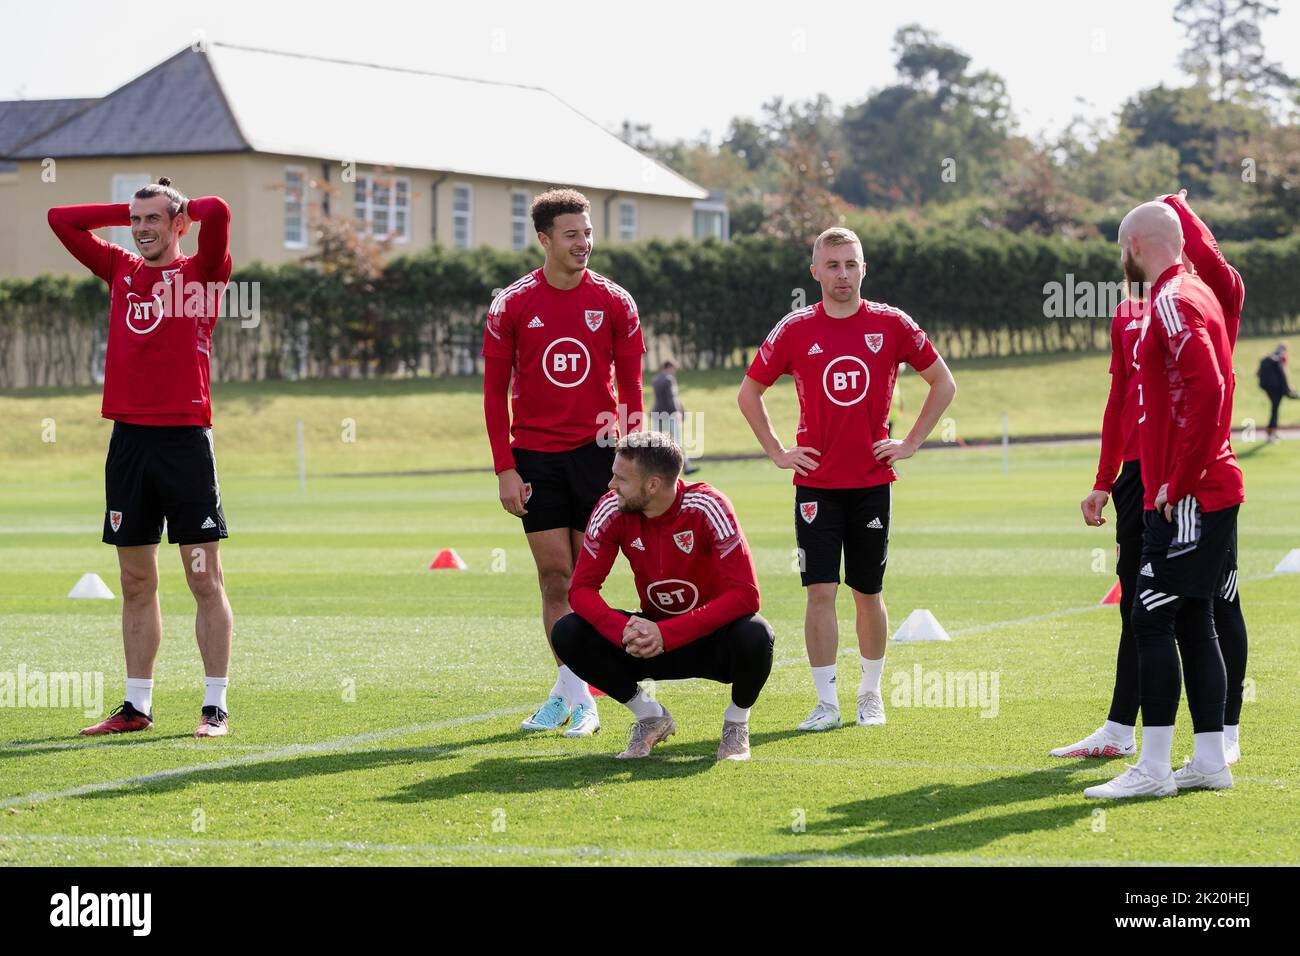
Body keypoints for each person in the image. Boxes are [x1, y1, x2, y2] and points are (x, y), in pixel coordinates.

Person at [737, 227, 956, 732]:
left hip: (871, 483)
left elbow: (943, 382)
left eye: (850, 264)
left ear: (864, 268)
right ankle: (825, 702)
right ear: (814, 271)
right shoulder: (794, 329)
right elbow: (749, 393)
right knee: (819, 593)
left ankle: (870, 694)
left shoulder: (892, 324)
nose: (842, 274)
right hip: (815, 486)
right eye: (832, 265)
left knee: (867, 594)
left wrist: (911, 444)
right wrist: (777, 451)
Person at [1062, 190, 1250, 767]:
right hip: (1143, 476)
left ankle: (1220, 735)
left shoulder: (1200, 294)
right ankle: (1125, 729)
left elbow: (1220, 270)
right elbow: (1118, 398)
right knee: (1147, 606)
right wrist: (1105, 476)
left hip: (1187, 472)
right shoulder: (1130, 312)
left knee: (1214, 602)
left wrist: (1176, 207)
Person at [48, 178, 235, 738]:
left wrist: (179, 205)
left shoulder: (202, 274)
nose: (140, 229)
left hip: (184, 443)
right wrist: (132, 209)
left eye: (153, 219)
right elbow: (61, 217)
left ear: (179, 225)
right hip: (129, 443)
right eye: (134, 220)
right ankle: (136, 707)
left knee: (203, 578)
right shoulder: (121, 269)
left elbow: (218, 210)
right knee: (134, 582)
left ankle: (214, 707)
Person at [482, 188, 645, 738]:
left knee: (584, 583)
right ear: (545, 238)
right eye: (572, 234)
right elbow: (492, 393)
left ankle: (568, 694)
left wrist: (633, 455)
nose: (584, 243)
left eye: (589, 232)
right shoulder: (512, 303)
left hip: (599, 455)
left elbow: (633, 391)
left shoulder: (617, 302)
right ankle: (582, 700)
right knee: (554, 577)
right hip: (535, 457)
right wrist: (505, 466)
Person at [552, 431, 772, 760]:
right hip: (650, 642)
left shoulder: (708, 505)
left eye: (621, 478)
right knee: (567, 631)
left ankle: (736, 724)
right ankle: (650, 716)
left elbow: (746, 596)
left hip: (710, 639)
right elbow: (581, 590)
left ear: (653, 485)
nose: (611, 485)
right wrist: (622, 629)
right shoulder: (611, 507)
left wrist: (667, 634)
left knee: (757, 634)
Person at [651, 359, 698, 473]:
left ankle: (657, 467)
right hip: (669, 414)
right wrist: (678, 411)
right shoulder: (669, 379)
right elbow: (672, 398)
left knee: (658, 442)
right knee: (676, 441)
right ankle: (685, 465)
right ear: (669, 367)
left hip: (657, 413)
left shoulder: (655, 380)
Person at [1257, 343, 1296, 442]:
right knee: (1275, 410)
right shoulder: (1280, 358)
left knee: (1274, 409)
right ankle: (1271, 433)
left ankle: (1272, 431)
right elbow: (1284, 372)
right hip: (1277, 388)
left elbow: (1257, 373)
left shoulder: (1267, 359)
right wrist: (1288, 387)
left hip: (1267, 387)